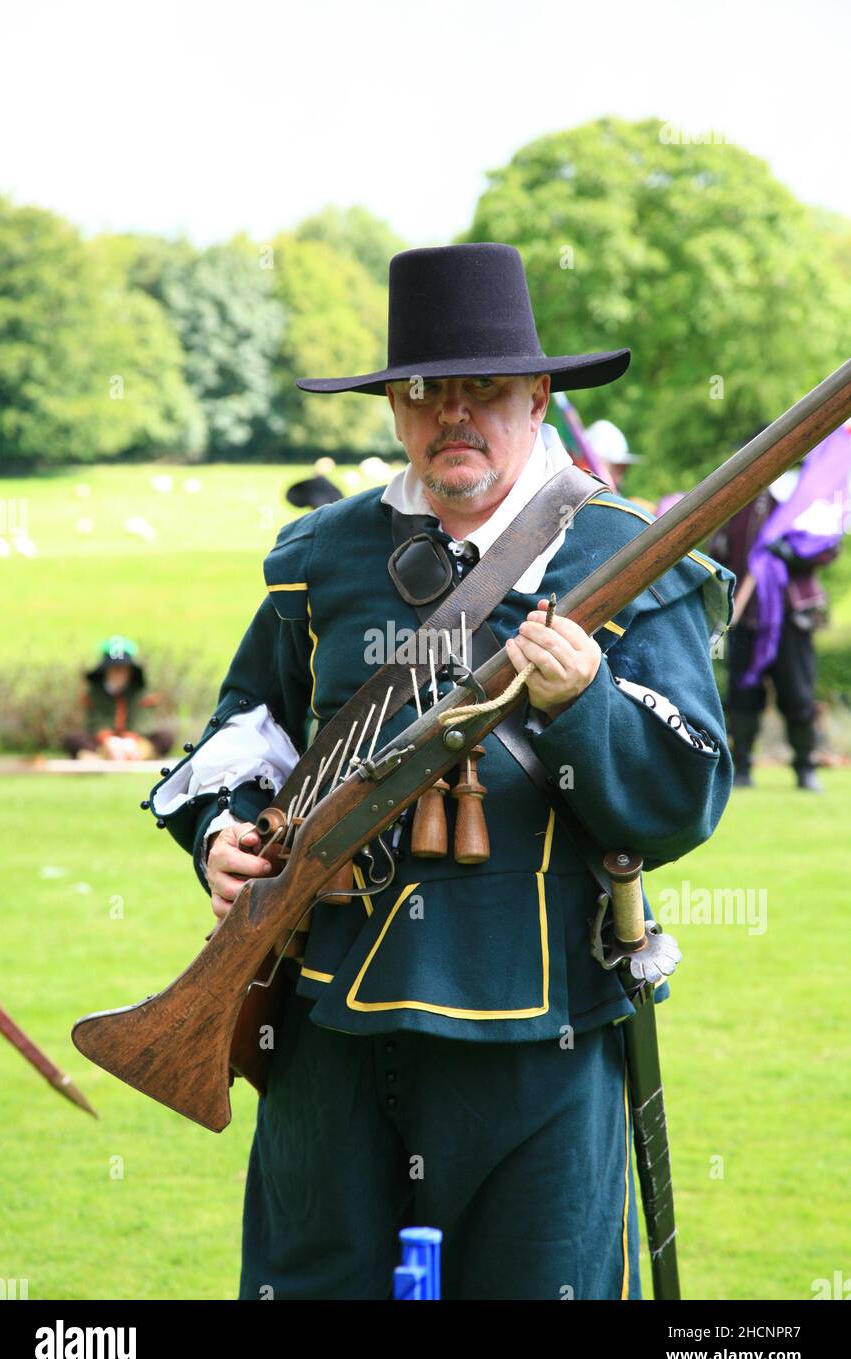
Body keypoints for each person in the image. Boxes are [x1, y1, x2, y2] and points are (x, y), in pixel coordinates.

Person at [148, 243, 734, 1300]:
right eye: (422, 390)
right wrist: (222, 834)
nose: (449, 414)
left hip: (539, 1034)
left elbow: (682, 796)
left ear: (538, 398)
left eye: (483, 390)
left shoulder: (626, 554)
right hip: (325, 1021)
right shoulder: (320, 556)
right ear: (391, 406)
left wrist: (580, 707)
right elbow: (245, 734)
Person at [709, 425, 849, 792]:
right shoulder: (736, 498)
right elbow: (717, 552)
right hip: (745, 612)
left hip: (791, 612)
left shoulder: (802, 492)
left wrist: (793, 555)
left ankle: (805, 768)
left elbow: (826, 541)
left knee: (798, 693)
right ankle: (741, 769)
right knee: (742, 696)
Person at [63, 636, 173, 761]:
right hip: (104, 743)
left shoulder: (139, 691)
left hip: (135, 742)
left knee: (165, 736)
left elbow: (143, 721)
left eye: (122, 669)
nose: (119, 674)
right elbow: (94, 721)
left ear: (130, 671)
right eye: (114, 669)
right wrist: (108, 739)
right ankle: (102, 755)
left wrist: (131, 739)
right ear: (106, 671)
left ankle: (134, 754)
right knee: (73, 738)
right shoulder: (95, 692)